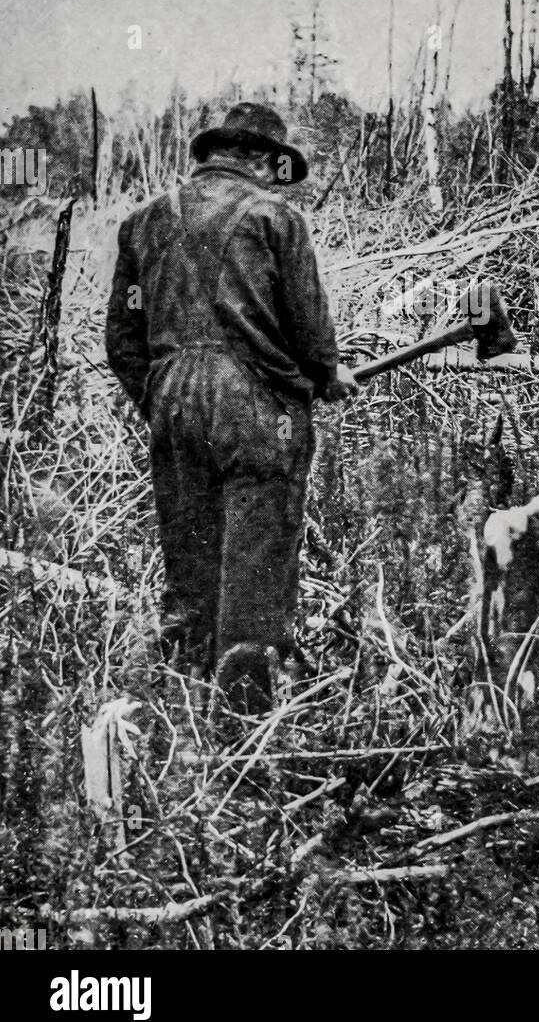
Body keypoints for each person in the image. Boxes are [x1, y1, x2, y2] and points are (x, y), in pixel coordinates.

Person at [105, 102, 357, 712]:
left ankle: (180, 708)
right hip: (254, 404)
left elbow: (123, 336)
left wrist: (161, 397)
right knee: (258, 553)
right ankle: (247, 724)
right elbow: (307, 321)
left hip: (168, 398)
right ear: (263, 160)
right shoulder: (277, 220)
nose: (279, 179)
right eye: (279, 166)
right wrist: (328, 373)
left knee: (188, 554)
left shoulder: (142, 223)